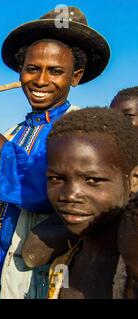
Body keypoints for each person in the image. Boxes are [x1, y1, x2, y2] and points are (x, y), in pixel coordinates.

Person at [0, 6, 110, 298]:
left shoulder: (82, 130)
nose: (40, 81)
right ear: (20, 71)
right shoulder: (16, 131)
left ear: (74, 77)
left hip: (37, 276)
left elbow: (45, 189)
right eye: (32, 68)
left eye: (55, 71)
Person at [45, 107, 138, 299]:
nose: (70, 195)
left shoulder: (133, 270)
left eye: (92, 180)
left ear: (134, 180)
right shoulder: (62, 264)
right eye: (56, 179)